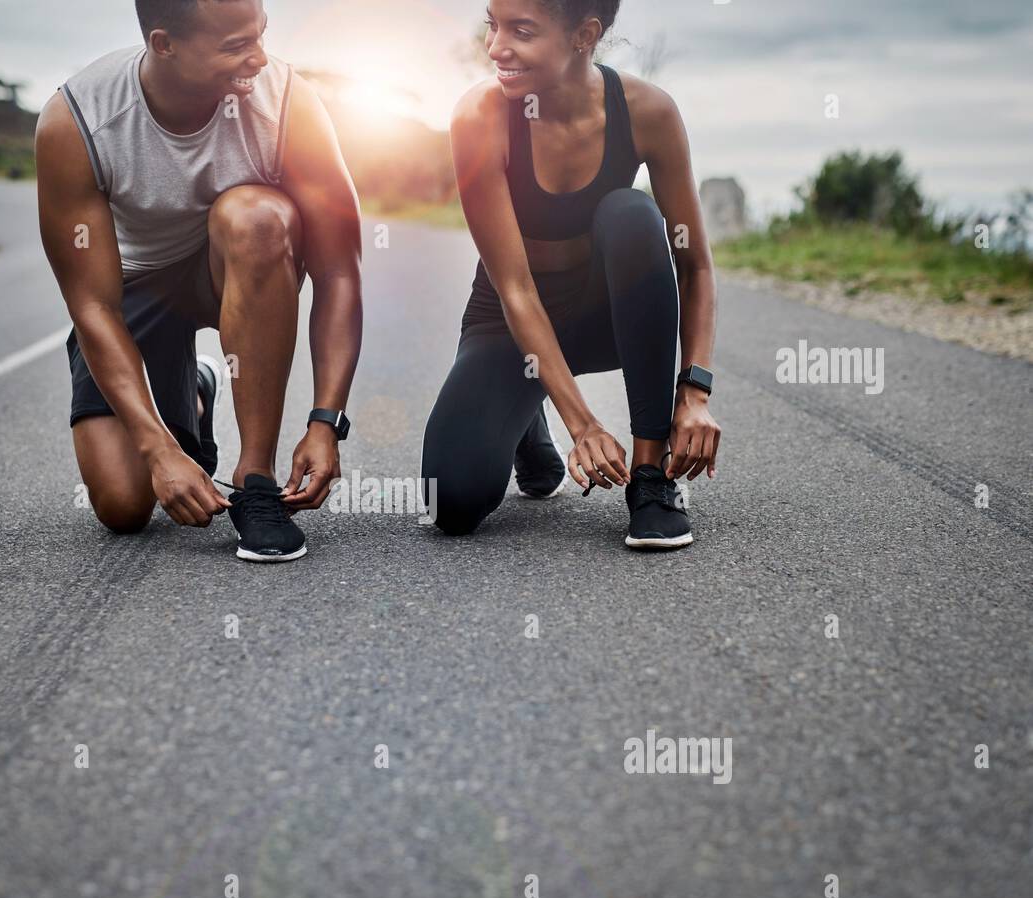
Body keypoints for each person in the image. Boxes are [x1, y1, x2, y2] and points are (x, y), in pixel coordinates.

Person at [36, 0, 362, 562]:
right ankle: (194, 395)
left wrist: (326, 421)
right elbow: (93, 306)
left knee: (258, 216)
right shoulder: (77, 121)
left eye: (261, 35)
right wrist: (158, 448)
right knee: (123, 507)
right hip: (134, 290)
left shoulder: (286, 102)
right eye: (236, 46)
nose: (259, 58)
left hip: (231, 270)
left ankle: (254, 478)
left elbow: (339, 271)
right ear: (164, 45)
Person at [422, 0, 721, 547]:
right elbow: (514, 287)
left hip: (607, 316)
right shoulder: (479, 118)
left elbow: (695, 264)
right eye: (493, 24)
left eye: (522, 30)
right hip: (512, 322)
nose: (496, 47)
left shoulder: (647, 112)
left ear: (584, 34)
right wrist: (581, 424)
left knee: (631, 214)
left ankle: (650, 480)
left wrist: (694, 392)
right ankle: (527, 421)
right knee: (452, 502)